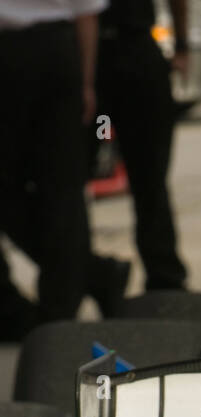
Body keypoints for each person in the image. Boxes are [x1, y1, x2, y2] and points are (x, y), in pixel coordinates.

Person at [0, 0, 109, 324]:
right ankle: (76, 285)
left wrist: (85, 82)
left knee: (59, 187)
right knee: (61, 187)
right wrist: (86, 81)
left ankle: (63, 299)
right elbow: (87, 13)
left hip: (39, 51)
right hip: (55, 48)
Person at [93, 0, 188, 290]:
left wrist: (181, 44)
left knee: (150, 177)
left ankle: (165, 279)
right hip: (79, 49)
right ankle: (87, 274)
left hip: (136, 45)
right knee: (63, 185)